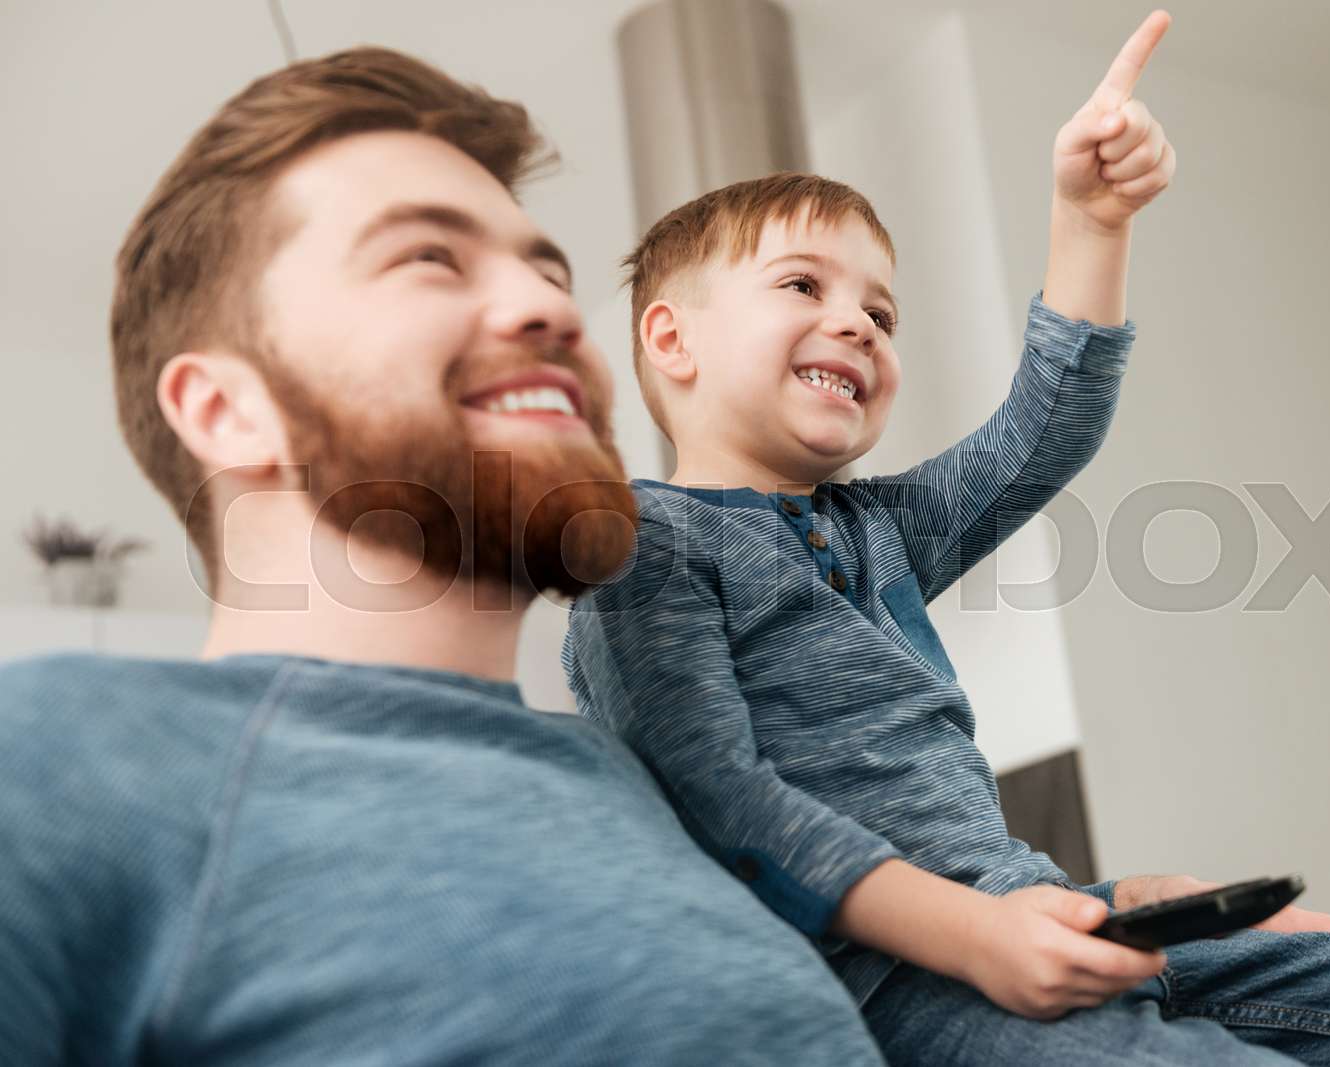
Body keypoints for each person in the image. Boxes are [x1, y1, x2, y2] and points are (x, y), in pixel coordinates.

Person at [562, 11, 1330, 1064]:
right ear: (672, 338)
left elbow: (1038, 435)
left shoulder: (873, 527)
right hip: (892, 979)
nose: (856, 323)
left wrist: (1093, 220)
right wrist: (981, 934)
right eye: (803, 284)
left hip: (1043, 914)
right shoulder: (641, 543)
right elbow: (726, 806)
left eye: (882, 314)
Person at [0, 47, 889, 1065]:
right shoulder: (64, 761)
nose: (554, 309)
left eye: (547, 270)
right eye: (429, 257)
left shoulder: (624, 780)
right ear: (227, 408)